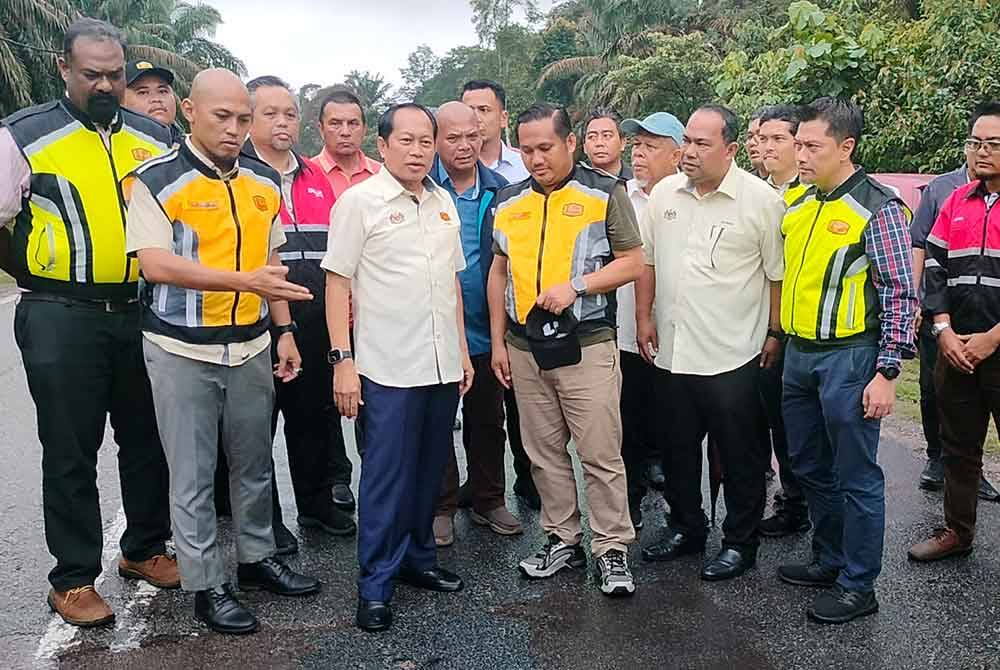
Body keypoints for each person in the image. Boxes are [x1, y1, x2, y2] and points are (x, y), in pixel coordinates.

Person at [126, 69, 321, 635]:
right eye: (222, 117)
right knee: (191, 474)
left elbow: (272, 266)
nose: (234, 129)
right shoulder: (154, 180)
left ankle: (258, 558)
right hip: (181, 347)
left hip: (252, 345)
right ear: (190, 110)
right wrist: (243, 282)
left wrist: (283, 331)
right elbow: (156, 264)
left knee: (255, 461)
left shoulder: (263, 180)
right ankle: (207, 583)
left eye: (243, 118)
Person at [0, 18, 177, 628]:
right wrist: (32, 268)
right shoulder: (23, 136)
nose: (105, 85)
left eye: (115, 74)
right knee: (71, 447)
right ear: (63, 69)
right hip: (60, 314)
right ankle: (73, 578)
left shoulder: (155, 138)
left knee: (148, 436)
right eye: (92, 74)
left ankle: (146, 549)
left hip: (144, 310)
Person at [322, 102, 472, 632]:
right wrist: (343, 360)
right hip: (386, 367)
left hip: (439, 366)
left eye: (424, 141)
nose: (417, 151)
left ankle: (418, 561)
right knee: (386, 477)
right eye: (405, 141)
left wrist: (459, 352)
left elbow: (451, 282)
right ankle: (375, 585)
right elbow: (337, 282)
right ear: (381, 147)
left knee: (429, 472)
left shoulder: (442, 204)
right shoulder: (359, 204)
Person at [489, 103, 643, 596]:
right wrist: (497, 342)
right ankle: (562, 540)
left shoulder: (604, 193)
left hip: (586, 344)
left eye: (546, 148)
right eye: (528, 149)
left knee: (599, 451)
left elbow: (633, 263)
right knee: (543, 452)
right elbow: (498, 272)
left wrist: (577, 285)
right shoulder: (508, 201)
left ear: (570, 143)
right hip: (524, 346)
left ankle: (612, 547)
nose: (537, 159)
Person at [778, 97, 916, 624]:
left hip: (850, 357)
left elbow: (901, 293)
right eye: (799, 144)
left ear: (847, 146)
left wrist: (886, 372)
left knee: (856, 475)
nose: (801, 154)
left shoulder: (877, 207)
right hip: (798, 354)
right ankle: (829, 558)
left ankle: (860, 584)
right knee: (809, 464)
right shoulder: (800, 201)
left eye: (812, 146)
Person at [635, 105, 785, 582]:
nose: (690, 152)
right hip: (674, 350)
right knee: (678, 450)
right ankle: (687, 528)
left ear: (732, 149)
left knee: (740, 454)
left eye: (702, 144)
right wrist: (644, 315)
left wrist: (775, 333)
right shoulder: (664, 195)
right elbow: (650, 262)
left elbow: (776, 276)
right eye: (688, 142)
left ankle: (741, 543)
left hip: (733, 353)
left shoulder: (761, 201)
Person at [243, 76, 357, 543]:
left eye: (289, 113)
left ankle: (315, 506)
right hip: (256, 322)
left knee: (311, 419)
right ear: (249, 118)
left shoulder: (314, 177)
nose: (282, 122)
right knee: (254, 429)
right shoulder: (238, 173)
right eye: (270, 113)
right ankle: (265, 523)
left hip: (312, 320)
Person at [908, 102, 1000, 562]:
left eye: (994, 144)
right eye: (975, 143)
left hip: (996, 345)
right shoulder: (955, 202)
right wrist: (942, 329)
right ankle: (957, 533)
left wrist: (994, 337)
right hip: (955, 345)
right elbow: (936, 270)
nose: (981, 152)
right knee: (958, 448)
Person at [428, 101, 521, 547]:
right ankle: (442, 504)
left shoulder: (502, 190)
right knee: (438, 419)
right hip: (434, 329)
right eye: (453, 137)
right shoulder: (422, 188)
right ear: (436, 139)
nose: (465, 146)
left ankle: (488, 499)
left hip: (488, 328)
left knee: (488, 419)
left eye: (472, 136)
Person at [461, 79, 538, 509]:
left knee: (524, 408)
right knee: (479, 410)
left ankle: (529, 483)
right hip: (466, 314)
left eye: (484, 110)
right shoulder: (439, 172)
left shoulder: (524, 167)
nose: (476, 119)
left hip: (521, 306)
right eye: (468, 109)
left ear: (503, 116)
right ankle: (474, 491)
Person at [616, 111, 685, 530]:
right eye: (636, 146)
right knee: (628, 424)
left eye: (651, 147)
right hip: (625, 333)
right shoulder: (620, 196)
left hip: (679, 337)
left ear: (678, 154)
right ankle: (629, 502)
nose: (639, 154)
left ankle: (682, 510)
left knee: (676, 427)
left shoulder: (688, 197)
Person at [755, 104, 811, 538]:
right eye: (763, 138)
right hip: (760, 325)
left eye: (777, 139)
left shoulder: (812, 195)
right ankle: (789, 499)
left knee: (802, 426)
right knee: (773, 418)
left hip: (802, 330)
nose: (766, 146)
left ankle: (805, 502)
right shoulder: (755, 192)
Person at [313, 87, 382, 199]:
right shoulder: (306, 175)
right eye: (335, 124)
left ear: (364, 129)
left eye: (353, 124)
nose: (345, 132)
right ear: (321, 129)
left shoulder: (381, 175)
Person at [123, 60, 183, 144]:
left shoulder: (192, 148)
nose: (156, 99)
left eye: (162, 91)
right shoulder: (113, 147)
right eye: (143, 92)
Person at [583, 107, 633, 180]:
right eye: (592, 137)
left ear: (623, 143)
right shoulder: (574, 185)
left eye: (607, 136)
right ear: (584, 147)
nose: (599, 143)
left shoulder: (637, 183)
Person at [746, 108, 770, 180]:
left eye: (761, 136)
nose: (752, 143)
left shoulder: (802, 181)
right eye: (750, 137)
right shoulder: (742, 184)